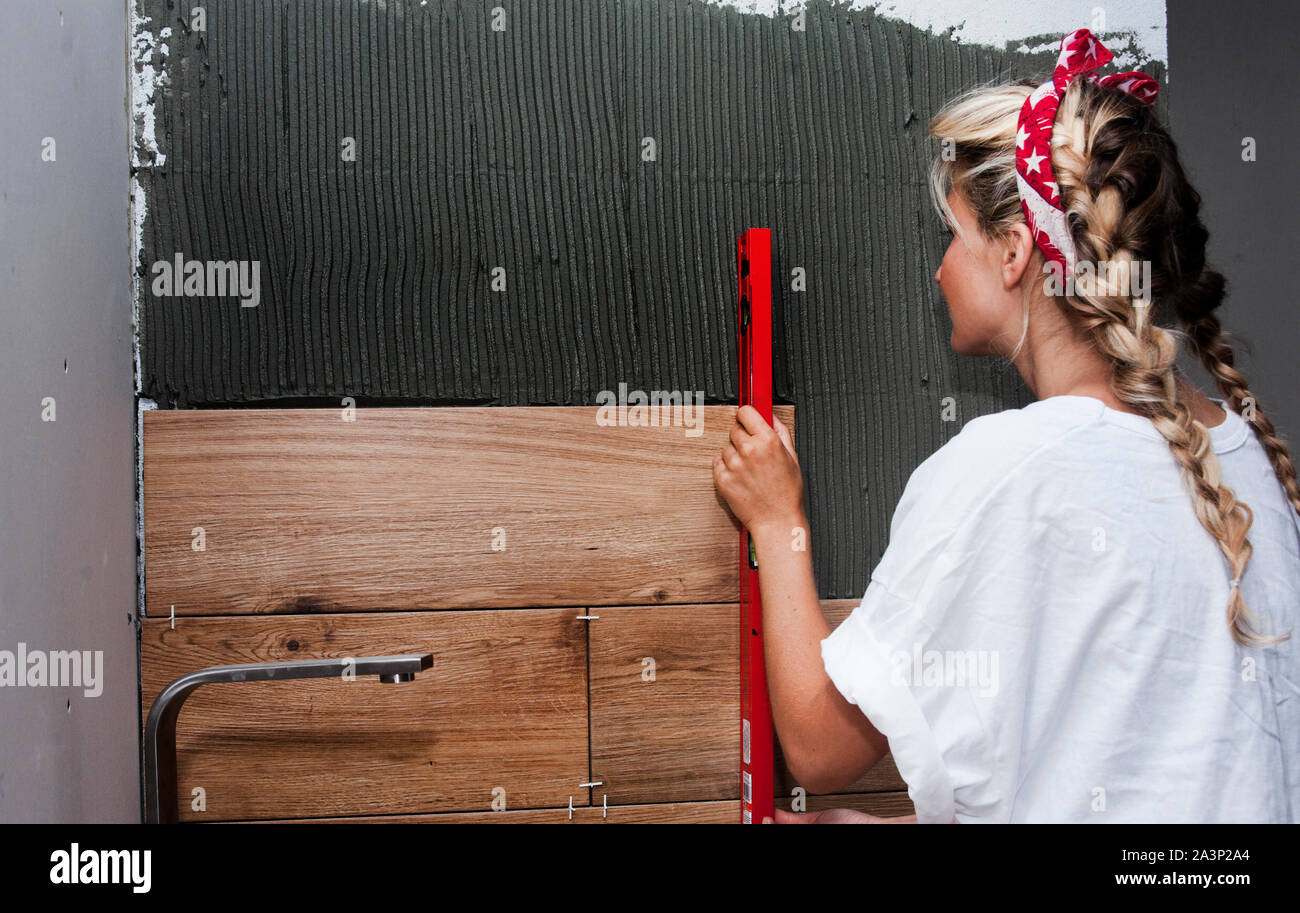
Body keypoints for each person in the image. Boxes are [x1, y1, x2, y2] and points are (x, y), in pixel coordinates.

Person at [713, 28, 1300, 824]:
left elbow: (820, 747)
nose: (938, 269)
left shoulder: (1013, 468)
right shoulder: (1246, 454)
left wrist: (780, 520)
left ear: (1016, 249)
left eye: (951, 238)